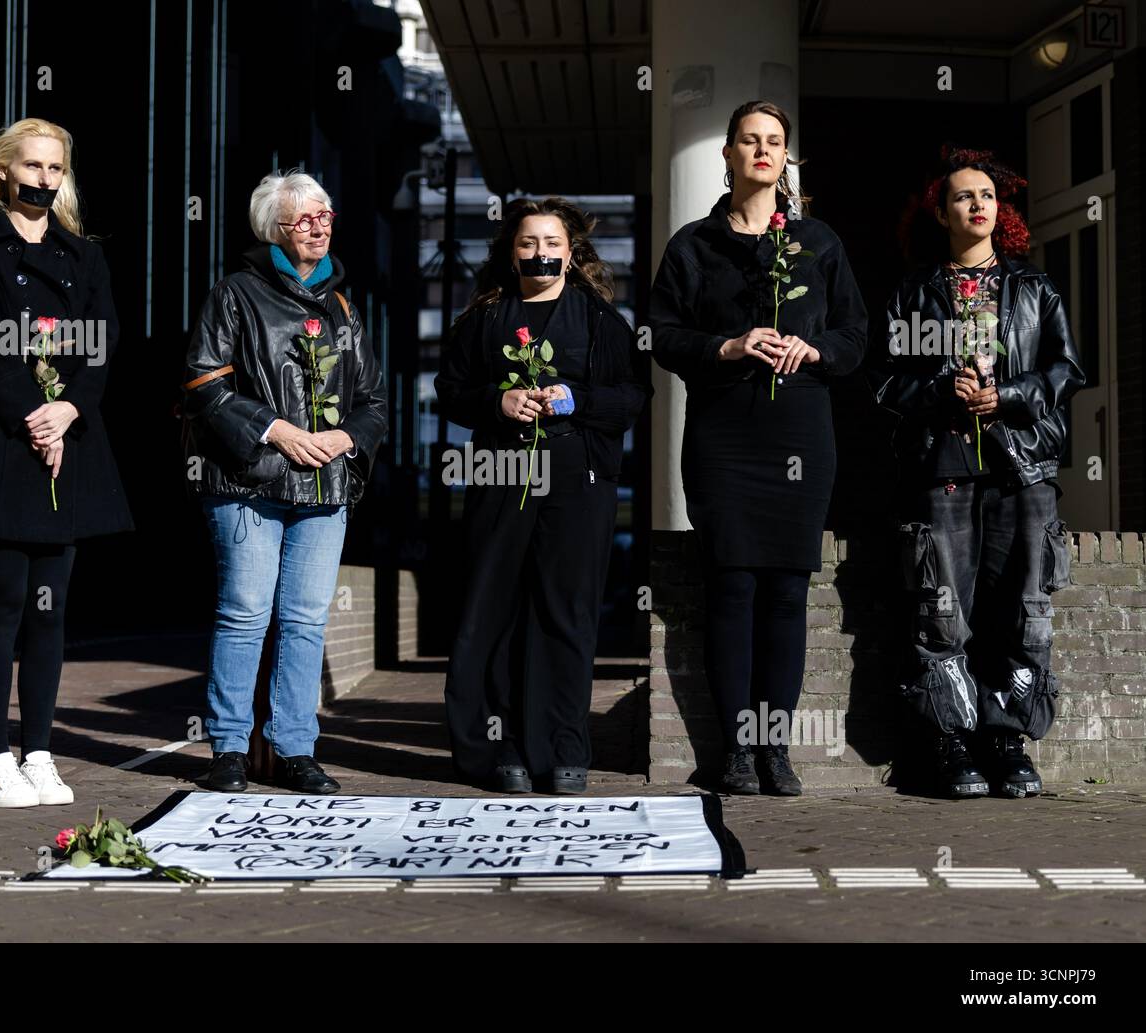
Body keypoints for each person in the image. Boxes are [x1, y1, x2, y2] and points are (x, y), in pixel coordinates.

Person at [650, 100, 868, 796]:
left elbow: (856, 336)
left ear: (785, 157)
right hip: (724, 437)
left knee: (785, 592)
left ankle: (777, 748)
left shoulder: (818, 243)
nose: (763, 151)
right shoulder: (693, 245)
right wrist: (728, 344)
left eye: (775, 141)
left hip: (800, 434)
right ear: (729, 153)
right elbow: (659, 334)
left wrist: (817, 347)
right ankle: (736, 751)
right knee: (733, 585)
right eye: (750, 139)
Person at [875, 147, 1084, 799]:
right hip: (942, 467)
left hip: (1021, 467)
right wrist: (942, 389)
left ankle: (1006, 738)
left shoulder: (1034, 287)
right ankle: (952, 742)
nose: (978, 204)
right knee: (943, 608)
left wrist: (1010, 396)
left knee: (1020, 607)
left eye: (988, 195)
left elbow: (1065, 369)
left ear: (1002, 211)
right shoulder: (913, 293)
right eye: (964, 195)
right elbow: (883, 383)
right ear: (939, 211)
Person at [0, 118, 133, 807]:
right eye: (33, 167)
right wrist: (34, 413)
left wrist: (69, 410)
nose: (45, 180)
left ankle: (41, 751)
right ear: (1, 172)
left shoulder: (83, 255)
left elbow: (103, 342)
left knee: (52, 610)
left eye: (56, 169)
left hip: (68, 441)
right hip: (3, 440)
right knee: (4, 601)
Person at [182, 170, 387, 794]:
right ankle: (227, 749)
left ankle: (296, 749)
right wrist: (273, 429)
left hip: (325, 488)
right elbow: (201, 383)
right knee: (245, 615)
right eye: (305, 219)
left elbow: (374, 400)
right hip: (249, 481)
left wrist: (346, 439)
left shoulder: (346, 305)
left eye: (326, 217)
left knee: (305, 621)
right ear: (275, 228)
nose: (320, 228)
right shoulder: (234, 294)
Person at [435, 197, 649, 794]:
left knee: (566, 612)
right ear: (511, 251)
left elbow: (634, 399)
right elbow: (449, 389)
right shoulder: (483, 317)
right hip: (500, 470)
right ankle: (500, 751)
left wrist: (578, 401)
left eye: (552, 243)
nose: (540, 253)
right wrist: (494, 403)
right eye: (528, 243)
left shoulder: (602, 320)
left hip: (579, 478)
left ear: (571, 252)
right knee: (495, 609)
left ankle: (562, 750)